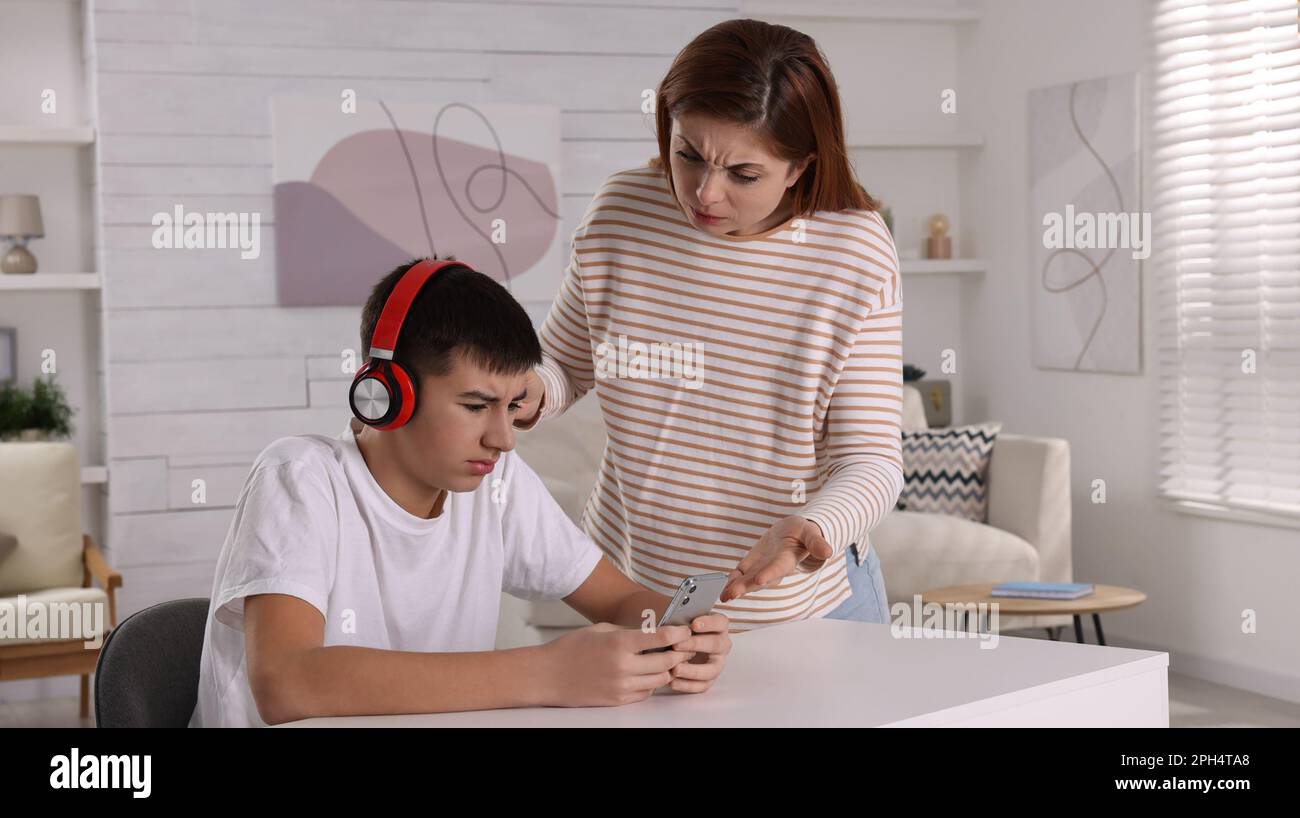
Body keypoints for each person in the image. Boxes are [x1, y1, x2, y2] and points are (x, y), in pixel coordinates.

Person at [189, 259, 731, 727]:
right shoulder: (300, 477)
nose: (503, 439)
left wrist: (677, 631)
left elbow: (617, 599)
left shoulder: (495, 483)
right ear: (386, 395)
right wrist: (548, 672)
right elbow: (288, 683)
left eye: (513, 406)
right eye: (476, 407)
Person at [513, 18, 903, 630]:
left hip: (802, 609)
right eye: (688, 154)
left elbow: (872, 459)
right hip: (637, 594)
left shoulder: (853, 251)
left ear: (799, 167)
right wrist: (526, 393)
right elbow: (562, 366)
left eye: (743, 174)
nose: (704, 194)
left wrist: (811, 529)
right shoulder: (623, 213)